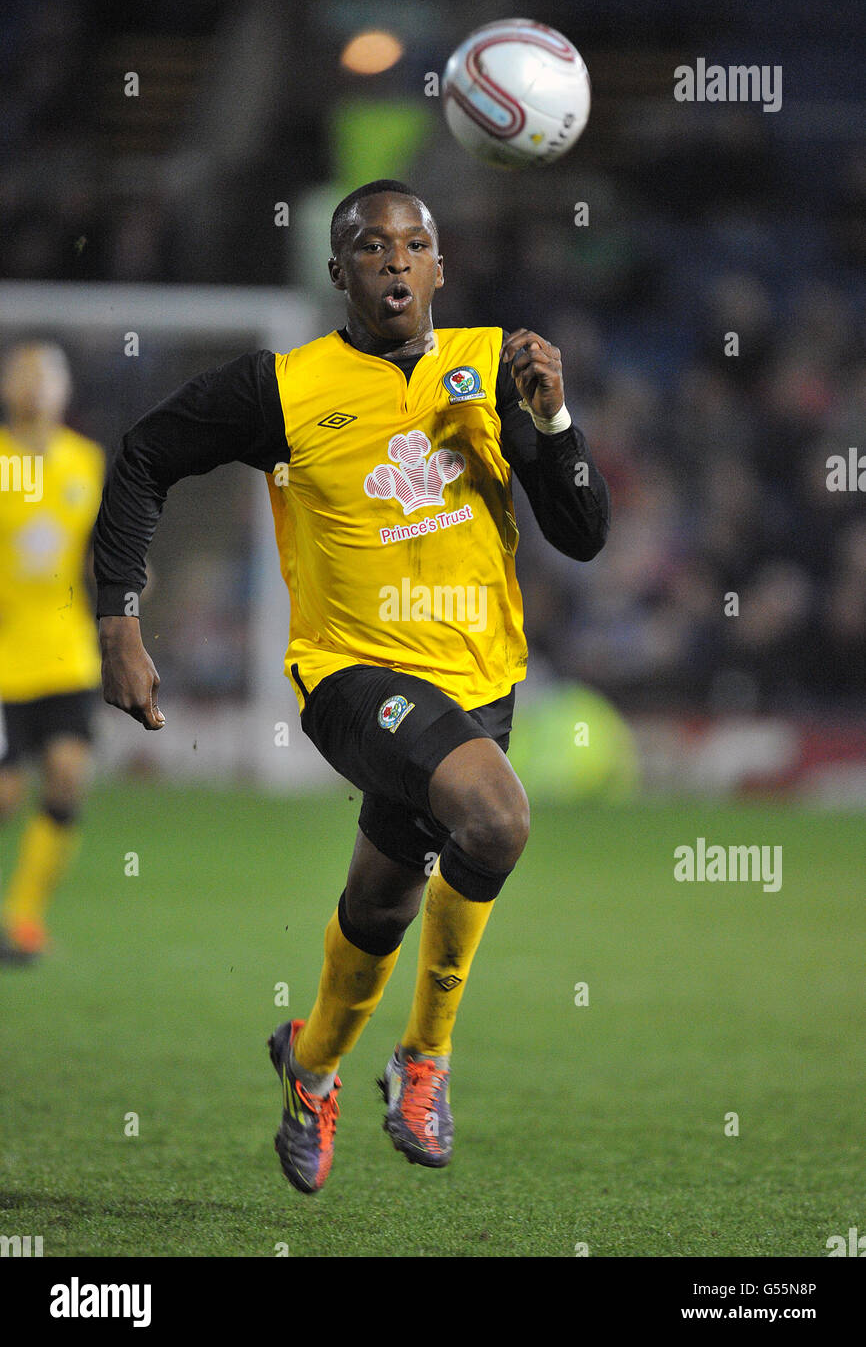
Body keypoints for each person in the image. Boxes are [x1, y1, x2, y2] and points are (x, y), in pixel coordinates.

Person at [93, 180, 610, 1193]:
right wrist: (119, 618)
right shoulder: (281, 388)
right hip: (351, 674)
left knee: (380, 905)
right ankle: (423, 1060)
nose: (394, 261)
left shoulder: (491, 366)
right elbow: (145, 455)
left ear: (440, 266)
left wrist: (552, 423)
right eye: (370, 247)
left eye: (415, 243)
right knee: (497, 821)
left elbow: (583, 536)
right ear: (338, 271)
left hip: (479, 681)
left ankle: (314, 1066)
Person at [0, 342, 104, 963]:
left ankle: (25, 920)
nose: (37, 388)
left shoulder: (85, 463)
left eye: (48, 378)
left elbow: (102, 544)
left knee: (68, 773)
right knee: (6, 795)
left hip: (66, 652)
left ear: (64, 391)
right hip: (4, 657)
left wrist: (123, 571)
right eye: (25, 375)